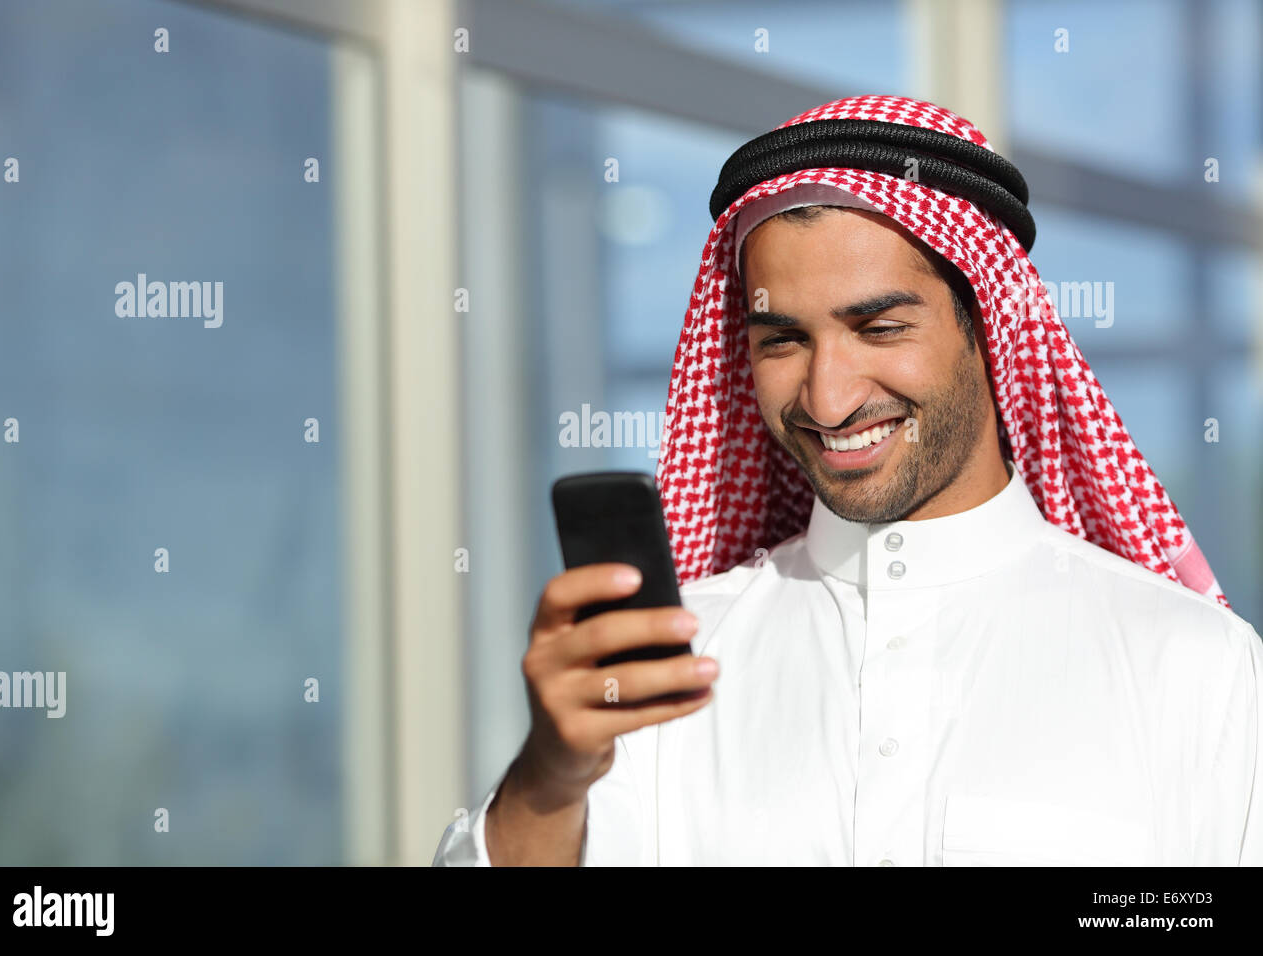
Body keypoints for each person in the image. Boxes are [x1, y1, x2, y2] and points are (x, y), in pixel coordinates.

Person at [433, 94, 1262, 866]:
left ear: (991, 326)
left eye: (881, 327)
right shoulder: (676, 665)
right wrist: (548, 780)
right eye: (783, 341)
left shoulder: (1192, 665)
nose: (829, 398)